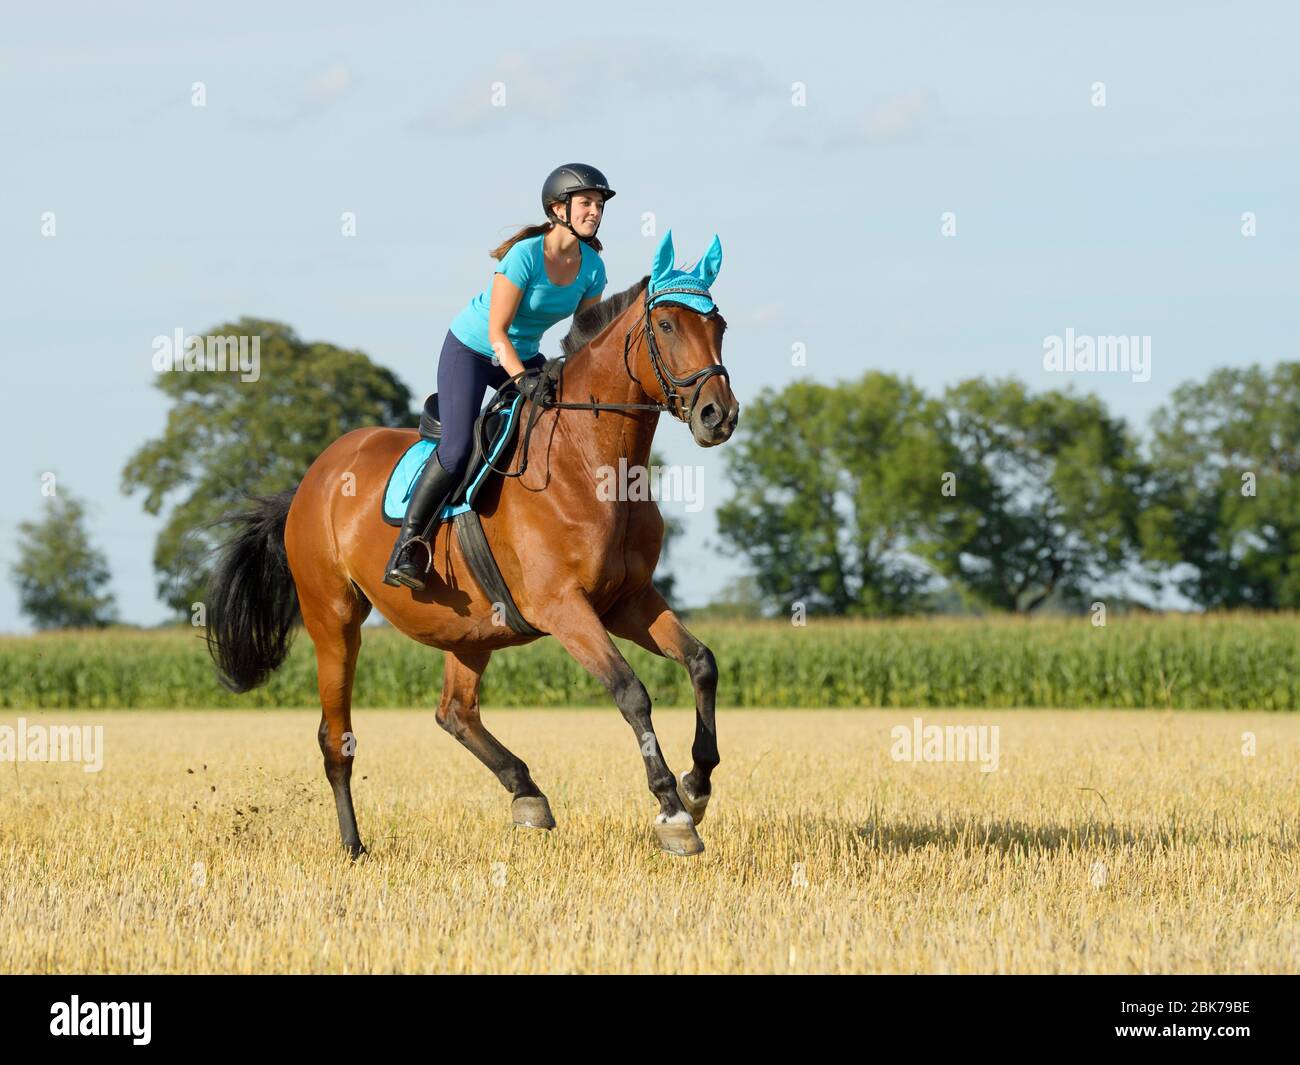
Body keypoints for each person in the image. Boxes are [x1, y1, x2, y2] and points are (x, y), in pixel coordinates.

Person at [383, 163, 615, 590]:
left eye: (599, 205)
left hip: (523, 355)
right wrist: (525, 381)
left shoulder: (593, 269)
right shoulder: (525, 256)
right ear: (557, 208)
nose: (594, 212)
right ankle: (408, 545)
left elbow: (582, 341)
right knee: (456, 449)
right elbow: (496, 333)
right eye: (586, 203)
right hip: (473, 350)